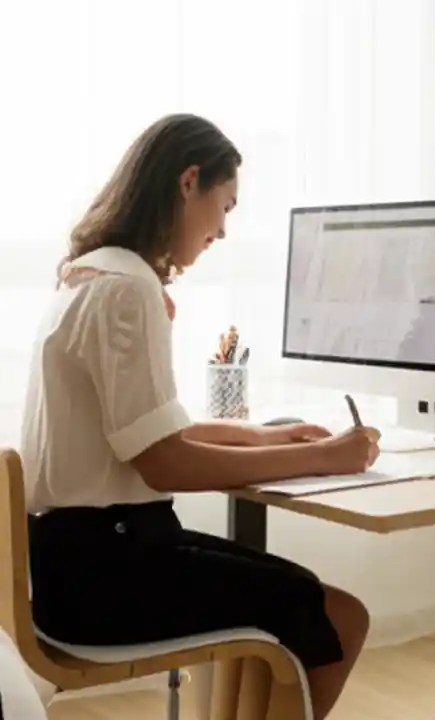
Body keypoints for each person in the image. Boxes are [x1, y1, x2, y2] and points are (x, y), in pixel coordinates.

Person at [19, 113, 380, 719]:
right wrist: (323, 457)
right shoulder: (127, 289)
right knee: (340, 617)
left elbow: (144, 431)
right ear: (189, 182)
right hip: (108, 572)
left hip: (72, 564)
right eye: (226, 206)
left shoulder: (90, 276)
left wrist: (258, 437)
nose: (224, 230)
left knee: (298, 603)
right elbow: (164, 462)